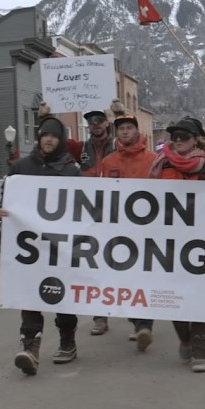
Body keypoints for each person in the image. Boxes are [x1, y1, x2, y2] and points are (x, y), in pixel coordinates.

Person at [147, 116, 205, 373]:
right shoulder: (159, 167)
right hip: (168, 243)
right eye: (174, 136)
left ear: (196, 139)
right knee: (174, 297)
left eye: (184, 136)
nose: (178, 141)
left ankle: (201, 352)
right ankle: (185, 336)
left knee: (201, 297)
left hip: (201, 245)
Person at [1, 114, 81, 376]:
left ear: (61, 141)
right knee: (29, 293)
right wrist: (2, 211)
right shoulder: (21, 168)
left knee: (62, 295)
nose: (49, 139)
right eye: (45, 134)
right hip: (31, 245)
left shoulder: (72, 170)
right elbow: (7, 201)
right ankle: (30, 346)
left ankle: (67, 340)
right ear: (39, 137)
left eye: (55, 136)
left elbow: (84, 208)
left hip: (61, 246)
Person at [99, 103, 159, 351]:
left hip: (147, 230)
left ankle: (145, 325)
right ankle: (136, 322)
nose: (124, 132)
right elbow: (101, 195)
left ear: (137, 131)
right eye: (121, 128)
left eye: (128, 128)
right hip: (118, 232)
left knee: (144, 277)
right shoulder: (108, 161)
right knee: (124, 279)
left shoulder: (153, 160)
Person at [80, 104, 117, 336]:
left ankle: (138, 320)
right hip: (92, 215)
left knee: (127, 263)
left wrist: (121, 114)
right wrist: (44, 117)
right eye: (90, 121)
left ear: (106, 123)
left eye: (99, 120)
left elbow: (135, 139)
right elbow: (50, 143)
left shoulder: (118, 144)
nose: (94, 124)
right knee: (96, 266)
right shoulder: (81, 148)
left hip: (119, 213)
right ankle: (100, 317)